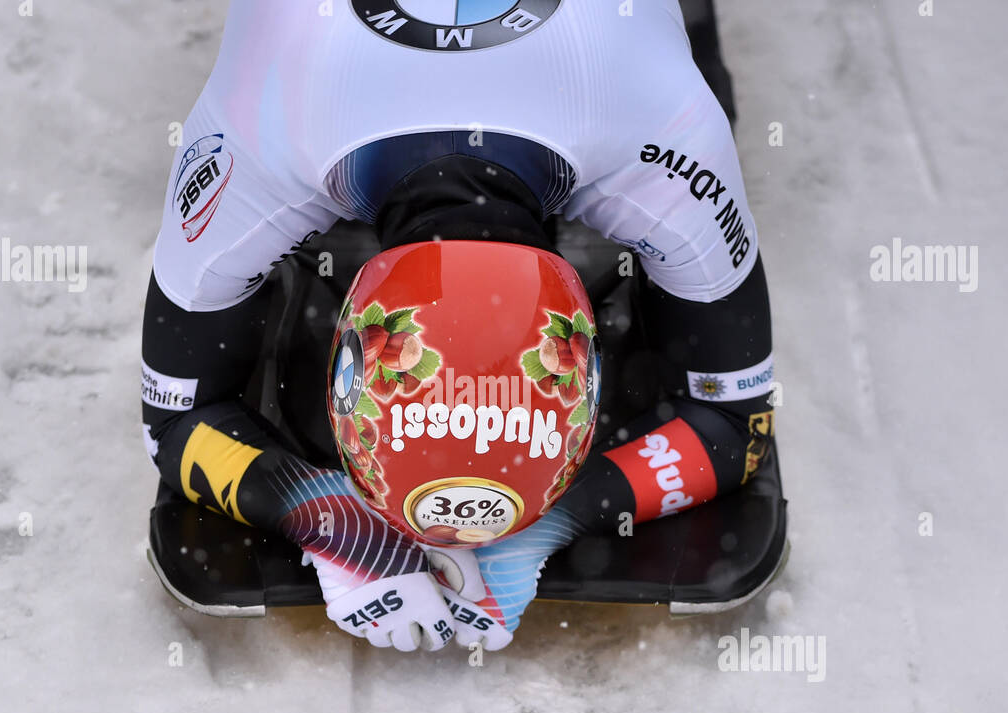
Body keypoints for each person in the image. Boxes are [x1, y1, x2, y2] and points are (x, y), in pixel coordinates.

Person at [141, 0, 774, 652]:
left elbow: (176, 418)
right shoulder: (668, 155)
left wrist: (326, 515)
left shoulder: (257, 151)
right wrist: (555, 516)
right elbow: (733, 423)